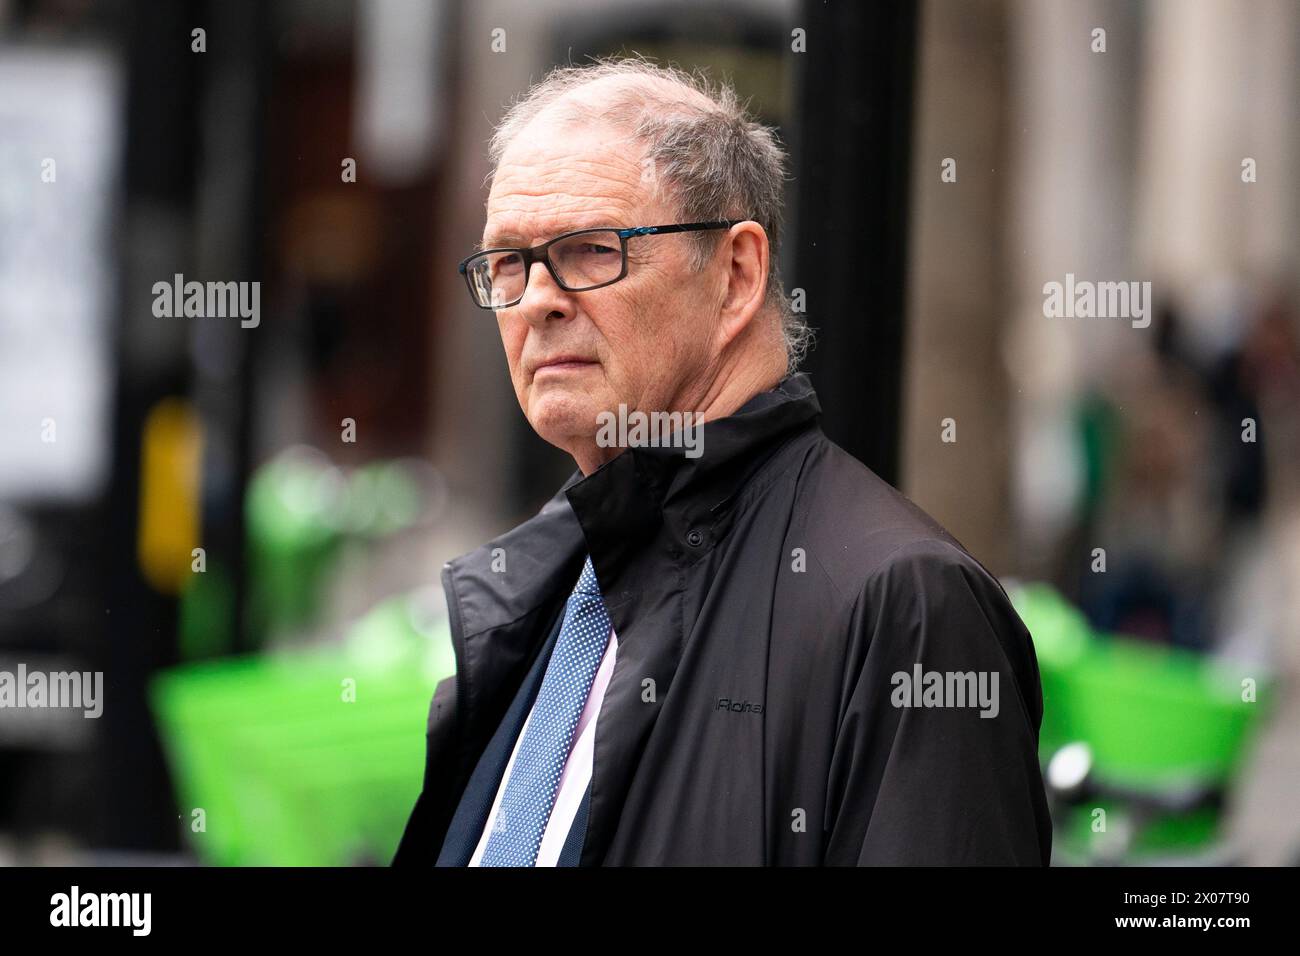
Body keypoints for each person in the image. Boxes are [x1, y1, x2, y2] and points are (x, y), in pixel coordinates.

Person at [393, 58, 1051, 866]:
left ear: (737, 274)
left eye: (592, 250)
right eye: (506, 261)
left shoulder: (904, 606)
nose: (537, 299)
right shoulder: (550, 579)